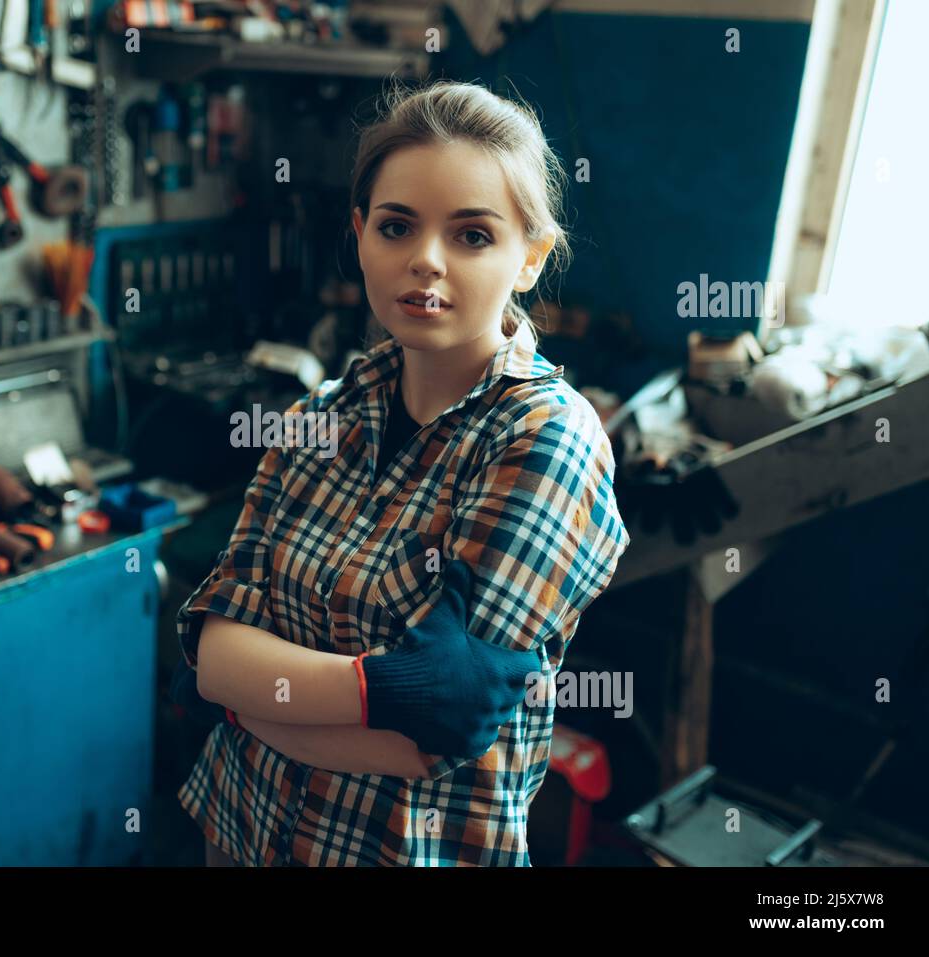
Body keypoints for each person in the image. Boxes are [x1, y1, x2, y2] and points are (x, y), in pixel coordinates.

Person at [173, 79, 630, 867]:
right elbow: (215, 651)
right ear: (360, 236)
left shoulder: (548, 440)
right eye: (397, 226)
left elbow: (432, 738)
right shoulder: (320, 414)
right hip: (242, 829)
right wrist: (378, 689)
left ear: (530, 257)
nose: (425, 259)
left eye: (473, 235)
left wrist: (250, 707)